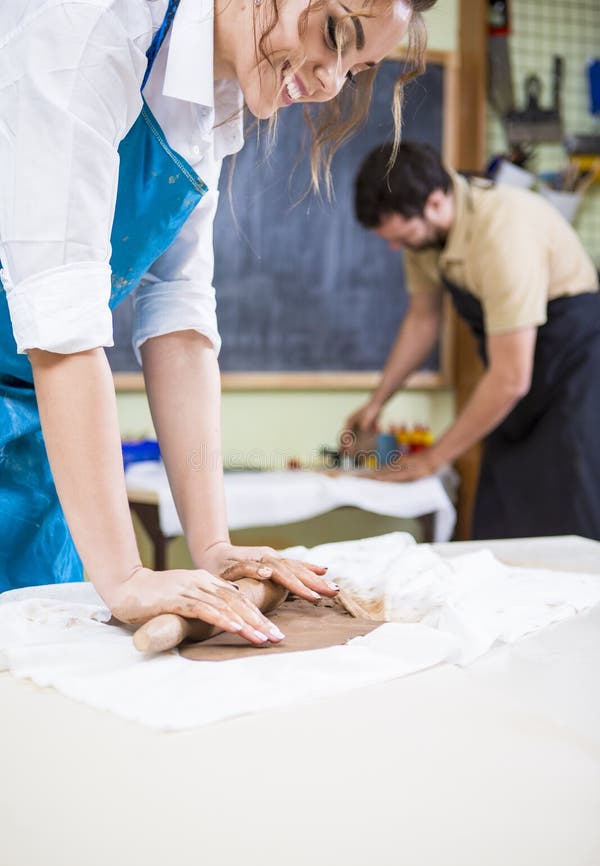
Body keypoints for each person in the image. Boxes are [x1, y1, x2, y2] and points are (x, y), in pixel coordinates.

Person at [0, 0, 436, 643]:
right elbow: (63, 315)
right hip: (45, 371)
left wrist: (214, 547)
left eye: (358, 69)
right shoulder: (94, 20)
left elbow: (177, 309)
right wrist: (123, 576)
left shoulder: (218, 92)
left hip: (36, 420)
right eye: (334, 34)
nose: (328, 83)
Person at [346, 141, 600, 540]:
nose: (396, 248)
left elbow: (512, 378)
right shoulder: (426, 233)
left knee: (568, 530)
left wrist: (431, 461)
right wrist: (378, 402)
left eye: (401, 236)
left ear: (434, 203)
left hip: (574, 376)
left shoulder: (503, 234)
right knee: (499, 528)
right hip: (516, 379)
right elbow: (422, 320)